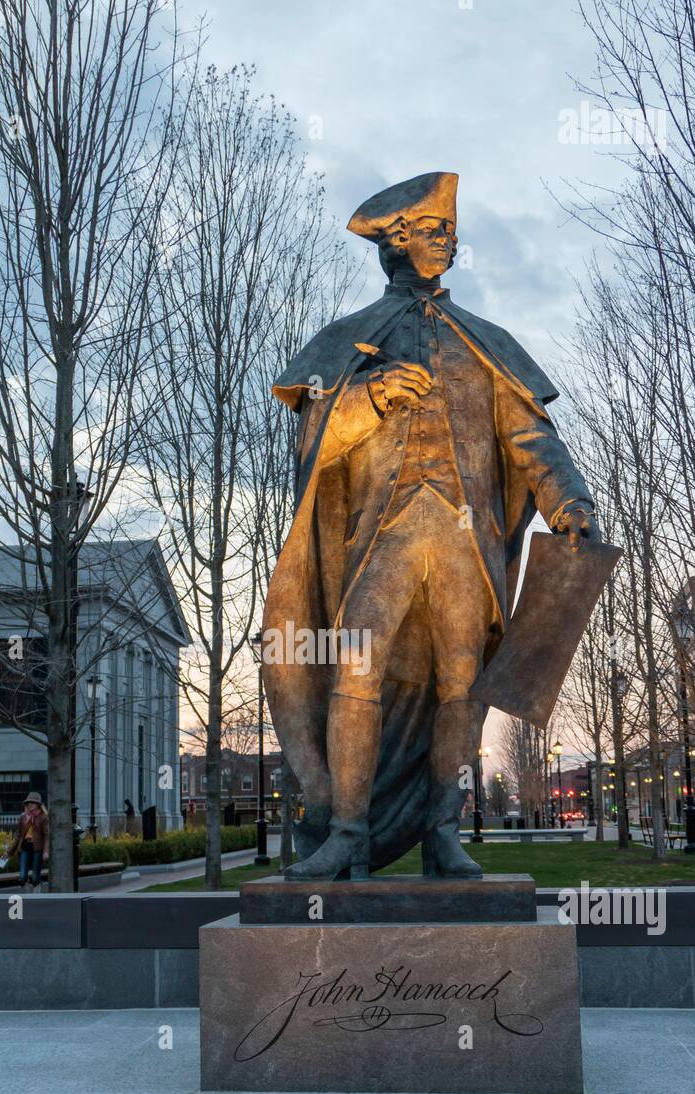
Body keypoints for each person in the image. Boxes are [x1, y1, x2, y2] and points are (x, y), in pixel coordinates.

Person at [264, 171, 600, 880]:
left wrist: (569, 500)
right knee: (355, 666)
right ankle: (348, 832)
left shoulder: (486, 344)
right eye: (430, 229)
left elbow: (532, 438)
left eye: (449, 229)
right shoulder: (351, 341)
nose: (446, 238)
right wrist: (370, 394)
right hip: (379, 538)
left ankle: (443, 830)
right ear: (396, 242)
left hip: (463, 542)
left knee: (460, 680)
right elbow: (312, 435)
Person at [6, 792, 49, 891]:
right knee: (22, 877)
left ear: (38, 804)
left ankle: (36, 891)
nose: (29, 804)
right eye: (28, 803)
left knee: (35, 877)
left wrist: (46, 851)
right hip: (24, 847)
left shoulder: (43, 817)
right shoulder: (23, 817)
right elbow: (18, 836)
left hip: (37, 848)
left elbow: (47, 836)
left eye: (32, 803)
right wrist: (9, 852)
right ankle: (28, 894)